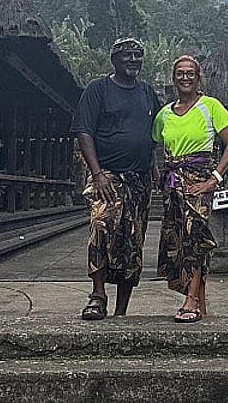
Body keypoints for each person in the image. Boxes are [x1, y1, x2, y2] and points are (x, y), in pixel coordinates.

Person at [72, 37, 160, 320]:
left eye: (138, 54)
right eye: (127, 55)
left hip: (139, 179)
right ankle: (97, 295)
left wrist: (156, 170)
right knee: (101, 227)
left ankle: (122, 308)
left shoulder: (147, 93)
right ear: (114, 59)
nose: (133, 59)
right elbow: (84, 132)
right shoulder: (98, 89)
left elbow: (156, 134)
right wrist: (96, 173)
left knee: (132, 241)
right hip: (107, 176)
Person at [153, 55, 228, 323]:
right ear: (173, 78)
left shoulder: (210, 106)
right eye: (180, 73)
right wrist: (159, 177)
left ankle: (190, 300)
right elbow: (154, 145)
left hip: (198, 181)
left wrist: (214, 179)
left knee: (195, 237)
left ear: (198, 77)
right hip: (172, 185)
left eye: (190, 73)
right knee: (177, 240)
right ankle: (199, 301)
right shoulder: (165, 113)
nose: (185, 77)